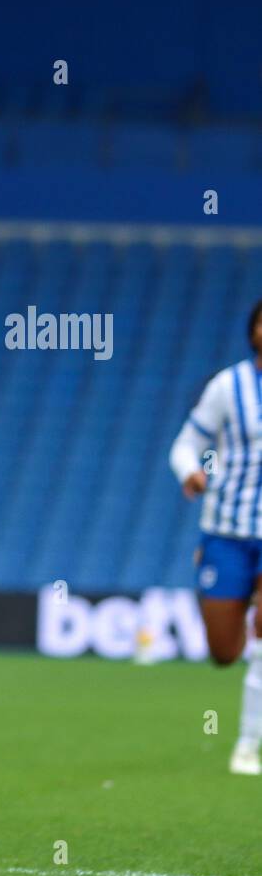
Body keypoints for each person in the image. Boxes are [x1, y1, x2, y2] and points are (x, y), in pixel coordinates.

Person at [170, 299, 262, 775]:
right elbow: (188, 442)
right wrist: (190, 471)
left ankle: (248, 745)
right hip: (226, 529)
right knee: (224, 652)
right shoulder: (229, 387)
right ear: (254, 333)